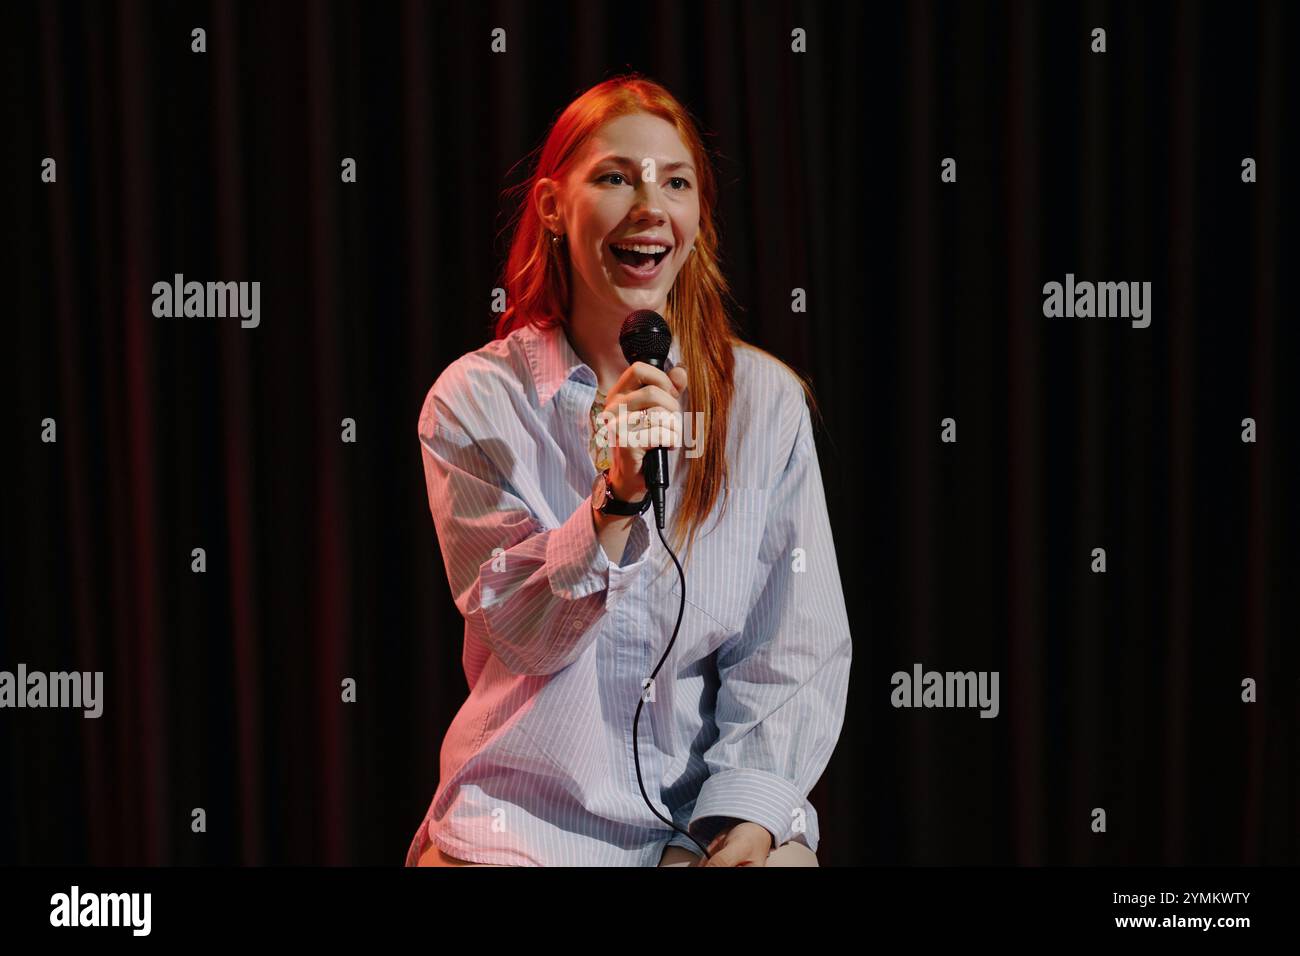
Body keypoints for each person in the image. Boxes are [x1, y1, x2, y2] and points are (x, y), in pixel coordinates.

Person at [406, 74, 851, 867]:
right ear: (552, 206)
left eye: (675, 182)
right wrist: (615, 498)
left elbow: (794, 650)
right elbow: (522, 633)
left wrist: (745, 817)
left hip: (695, 819)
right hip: (522, 825)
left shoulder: (765, 405)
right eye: (616, 177)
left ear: (696, 219)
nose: (650, 206)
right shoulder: (475, 402)